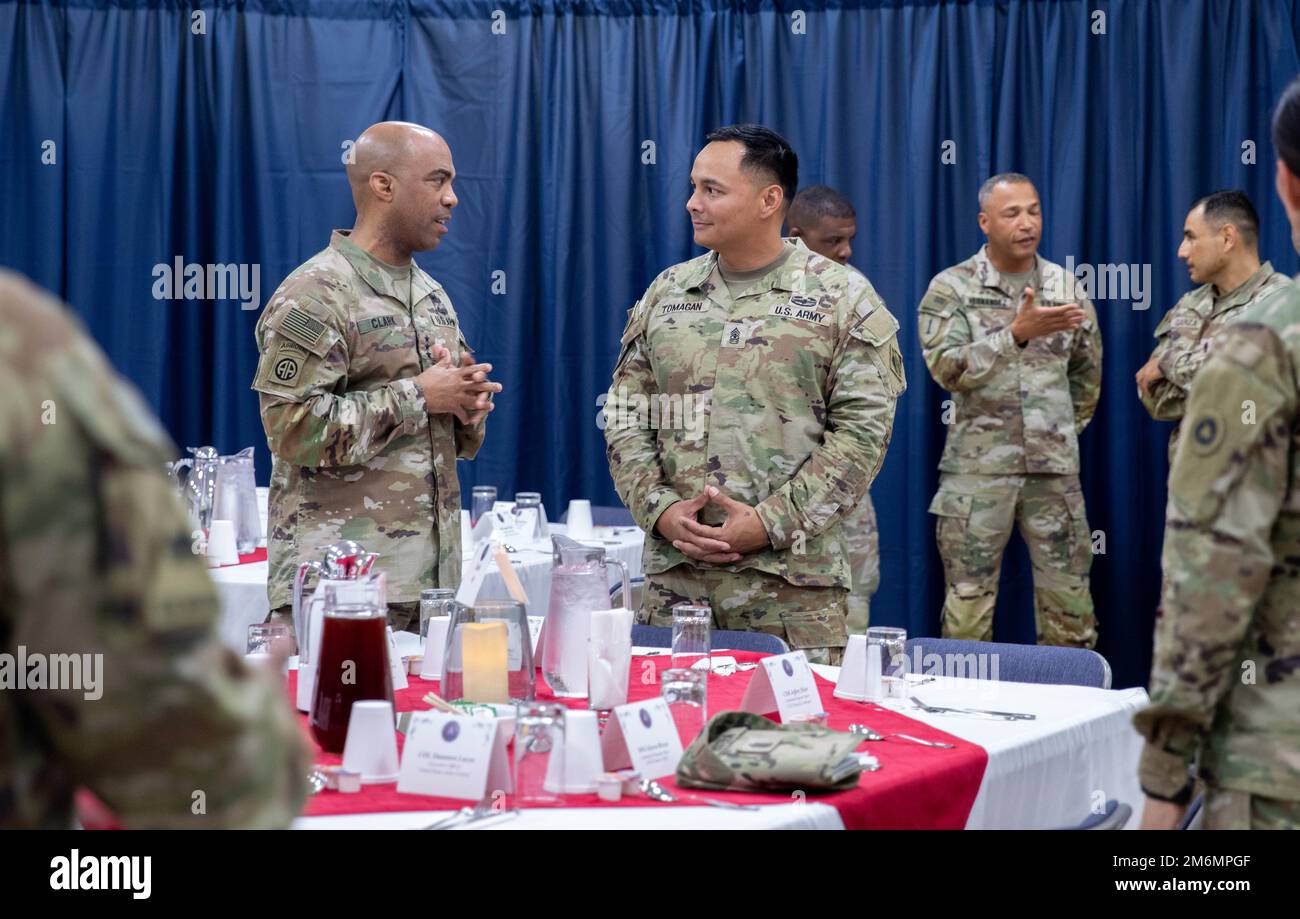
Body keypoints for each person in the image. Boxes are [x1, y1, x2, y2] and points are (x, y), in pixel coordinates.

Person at [0, 269, 310, 828]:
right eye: (438, 177)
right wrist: (258, 744)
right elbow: (173, 748)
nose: (452, 197)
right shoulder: (21, 355)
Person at [605, 125, 905, 665]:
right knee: (669, 740)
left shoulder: (842, 297)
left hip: (791, 591)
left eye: (712, 190)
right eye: (694, 187)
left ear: (770, 200)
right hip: (676, 588)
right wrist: (663, 511)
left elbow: (862, 437)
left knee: (791, 745)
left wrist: (768, 523)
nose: (693, 203)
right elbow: (627, 415)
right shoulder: (668, 292)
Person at [253, 122, 501, 632]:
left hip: (431, 587)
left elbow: (442, 428)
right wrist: (419, 396)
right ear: (383, 185)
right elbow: (291, 428)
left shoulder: (431, 295)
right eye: (437, 181)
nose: (452, 199)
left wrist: (466, 406)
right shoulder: (316, 294)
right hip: (341, 585)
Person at [1134, 78, 1300, 831]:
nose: (1180, 251)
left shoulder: (1270, 339)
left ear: (1287, 181)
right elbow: (1153, 387)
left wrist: (1165, 778)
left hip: (1278, 742)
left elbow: (1216, 575)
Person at [918, 173, 1102, 648]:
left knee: (1071, 606)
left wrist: (1056, 433)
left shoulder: (1066, 287)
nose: (1027, 223)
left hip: (1053, 471)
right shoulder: (950, 288)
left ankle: (1070, 712)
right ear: (984, 221)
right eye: (1012, 213)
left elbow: (1086, 377)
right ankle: (962, 714)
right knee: (967, 609)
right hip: (977, 471)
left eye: (1034, 210)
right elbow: (946, 369)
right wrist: (1013, 335)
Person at [1137, 190, 1290, 458]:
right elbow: (1154, 397)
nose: (1181, 251)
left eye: (1190, 237)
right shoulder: (1190, 304)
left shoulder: (1283, 302)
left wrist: (1168, 364)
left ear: (1227, 238)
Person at [788, 184, 878, 633]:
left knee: (852, 610)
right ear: (795, 233)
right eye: (832, 241)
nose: (845, 251)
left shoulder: (855, 292)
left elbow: (869, 411)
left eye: (850, 240)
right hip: (770, 489)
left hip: (841, 487)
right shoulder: (751, 285)